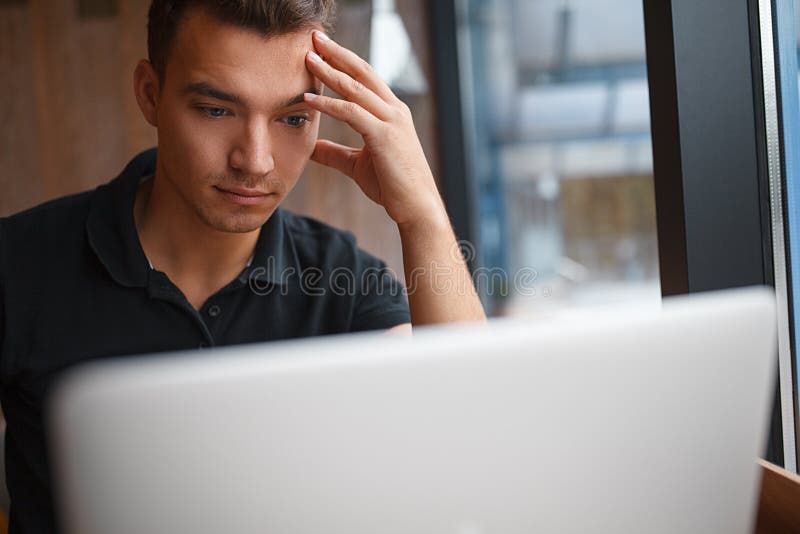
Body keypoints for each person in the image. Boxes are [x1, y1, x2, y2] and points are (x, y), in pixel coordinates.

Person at [0, 0, 485, 531]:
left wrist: (421, 217)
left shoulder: (342, 279)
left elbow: (471, 442)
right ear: (150, 94)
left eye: (293, 118)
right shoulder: (17, 261)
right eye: (216, 109)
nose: (255, 160)